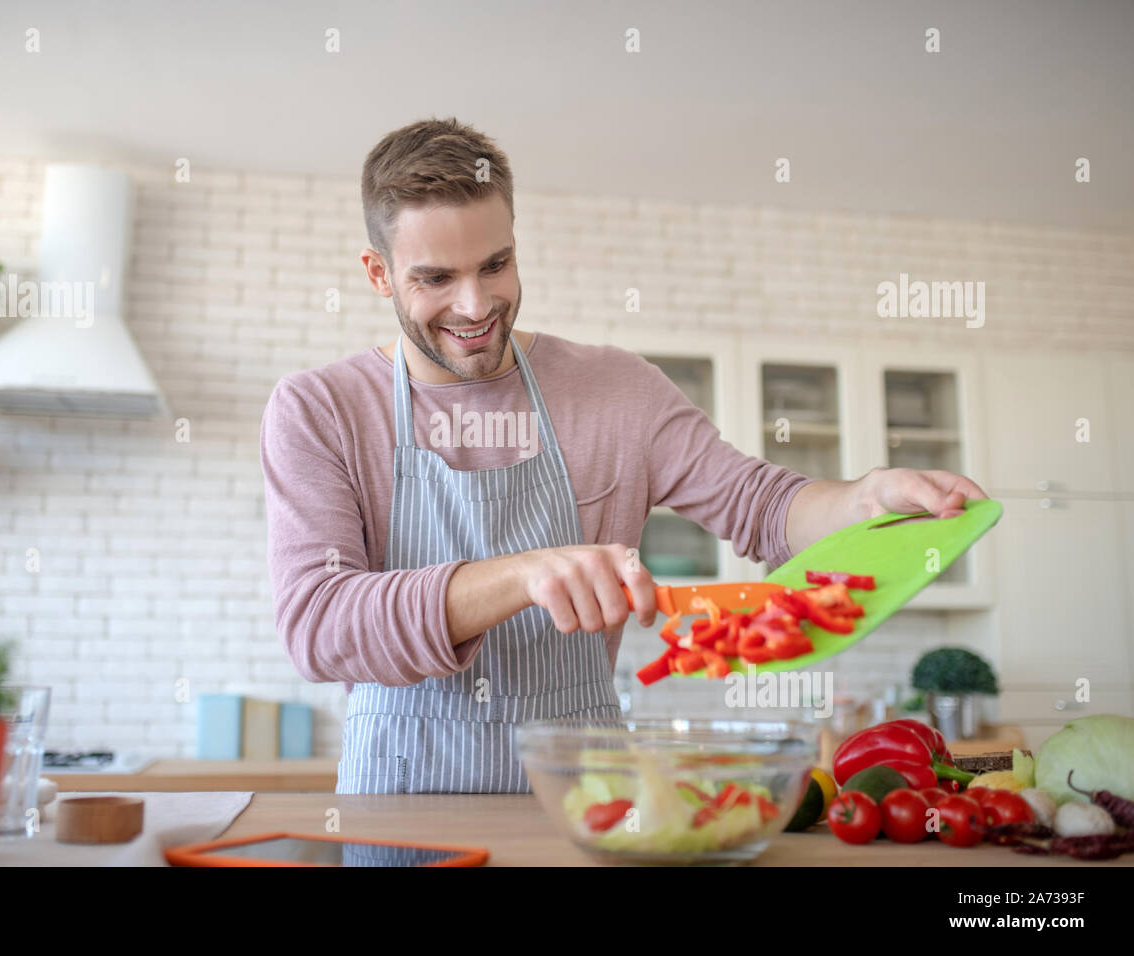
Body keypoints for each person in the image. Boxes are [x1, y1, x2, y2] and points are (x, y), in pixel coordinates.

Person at [260, 117, 988, 794]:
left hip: (590, 804)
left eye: (496, 264)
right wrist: (525, 573)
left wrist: (864, 500)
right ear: (379, 274)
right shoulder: (320, 410)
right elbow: (319, 625)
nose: (477, 305)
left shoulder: (616, 389)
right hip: (401, 807)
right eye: (435, 278)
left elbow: (762, 507)